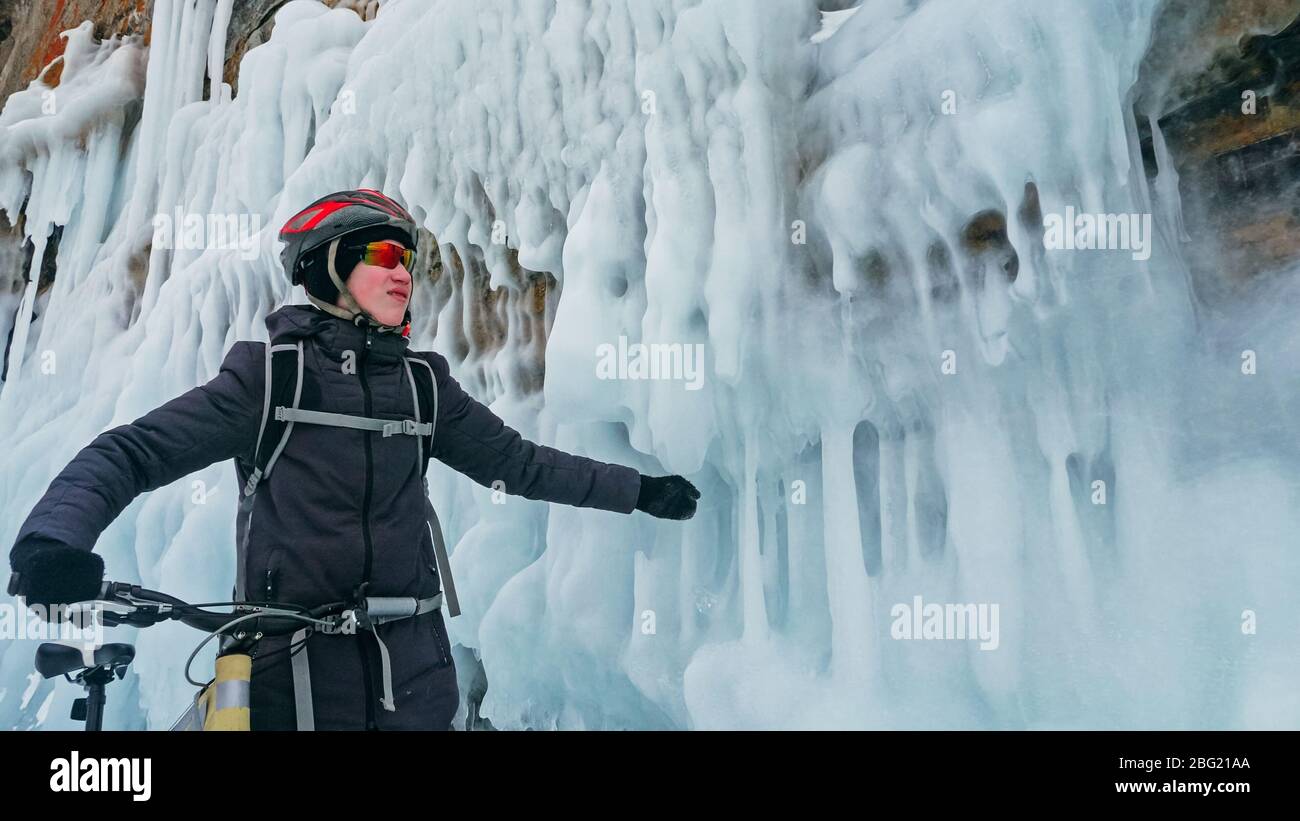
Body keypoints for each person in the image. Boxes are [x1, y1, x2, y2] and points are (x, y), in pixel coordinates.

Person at [7, 189, 700, 730]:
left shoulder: (424, 386)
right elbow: (134, 451)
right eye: (384, 256)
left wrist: (638, 489)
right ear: (331, 263)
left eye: (410, 260)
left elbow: (520, 465)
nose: (404, 275)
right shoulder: (269, 380)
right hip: (295, 686)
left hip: (416, 684)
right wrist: (53, 539)